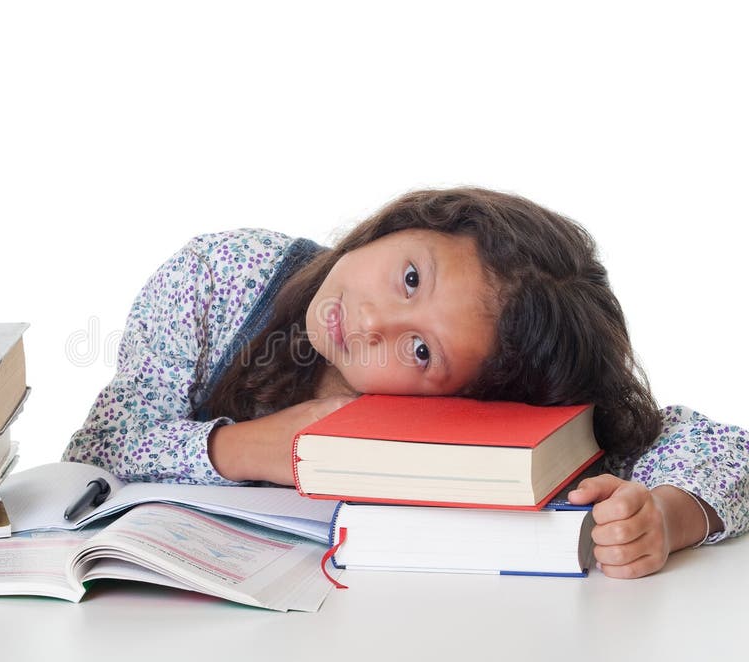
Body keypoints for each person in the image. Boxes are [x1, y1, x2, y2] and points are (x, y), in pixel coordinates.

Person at [64, 187, 748, 579]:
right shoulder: (216, 280)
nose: (370, 318)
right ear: (410, 222)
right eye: (411, 277)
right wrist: (244, 449)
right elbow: (94, 454)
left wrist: (665, 515)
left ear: (466, 405)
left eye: (420, 351)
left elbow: (724, 449)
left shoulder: (467, 428)